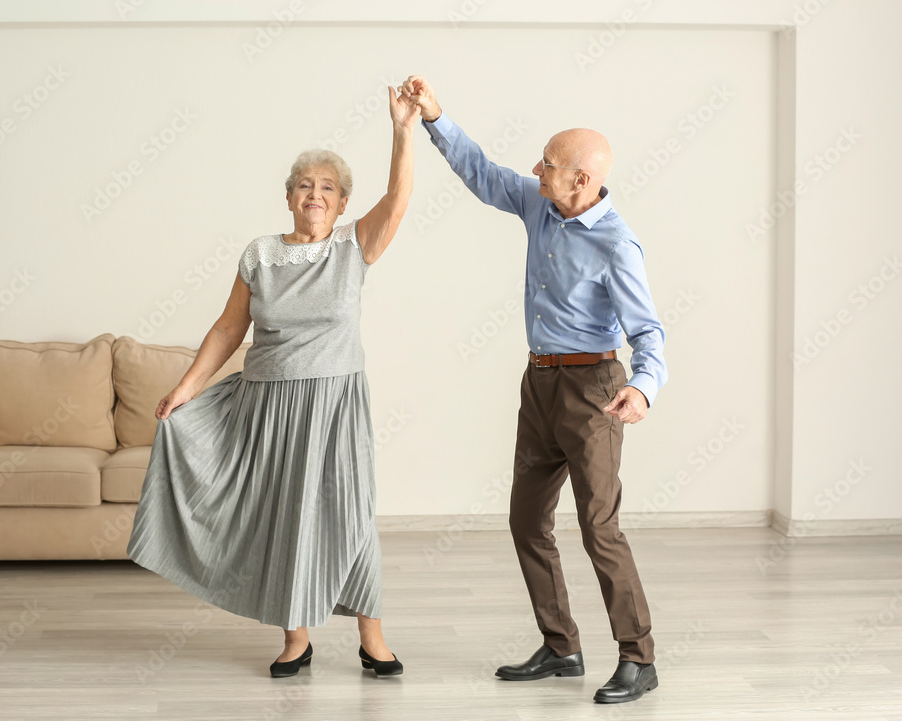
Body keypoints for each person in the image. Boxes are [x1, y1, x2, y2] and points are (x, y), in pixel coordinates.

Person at [127, 86, 421, 678]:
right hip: (265, 403)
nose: (316, 194)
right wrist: (186, 388)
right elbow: (229, 327)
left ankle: (372, 636)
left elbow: (399, 198)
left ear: (341, 205)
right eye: (306, 186)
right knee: (285, 513)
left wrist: (403, 130)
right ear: (288, 197)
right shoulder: (259, 254)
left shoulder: (353, 246)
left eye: (328, 188)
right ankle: (296, 638)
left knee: (352, 512)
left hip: (334, 400)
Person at [401, 75, 667, 704]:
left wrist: (645, 390)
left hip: (595, 389)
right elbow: (482, 172)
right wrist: (435, 118)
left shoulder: (615, 243)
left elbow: (648, 331)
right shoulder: (540, 204)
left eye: (547, 163)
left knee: (599, 526)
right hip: (540, 383)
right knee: (526, 519)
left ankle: (639, 657)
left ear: (582, 179)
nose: (535, 169)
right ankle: (561, 645)